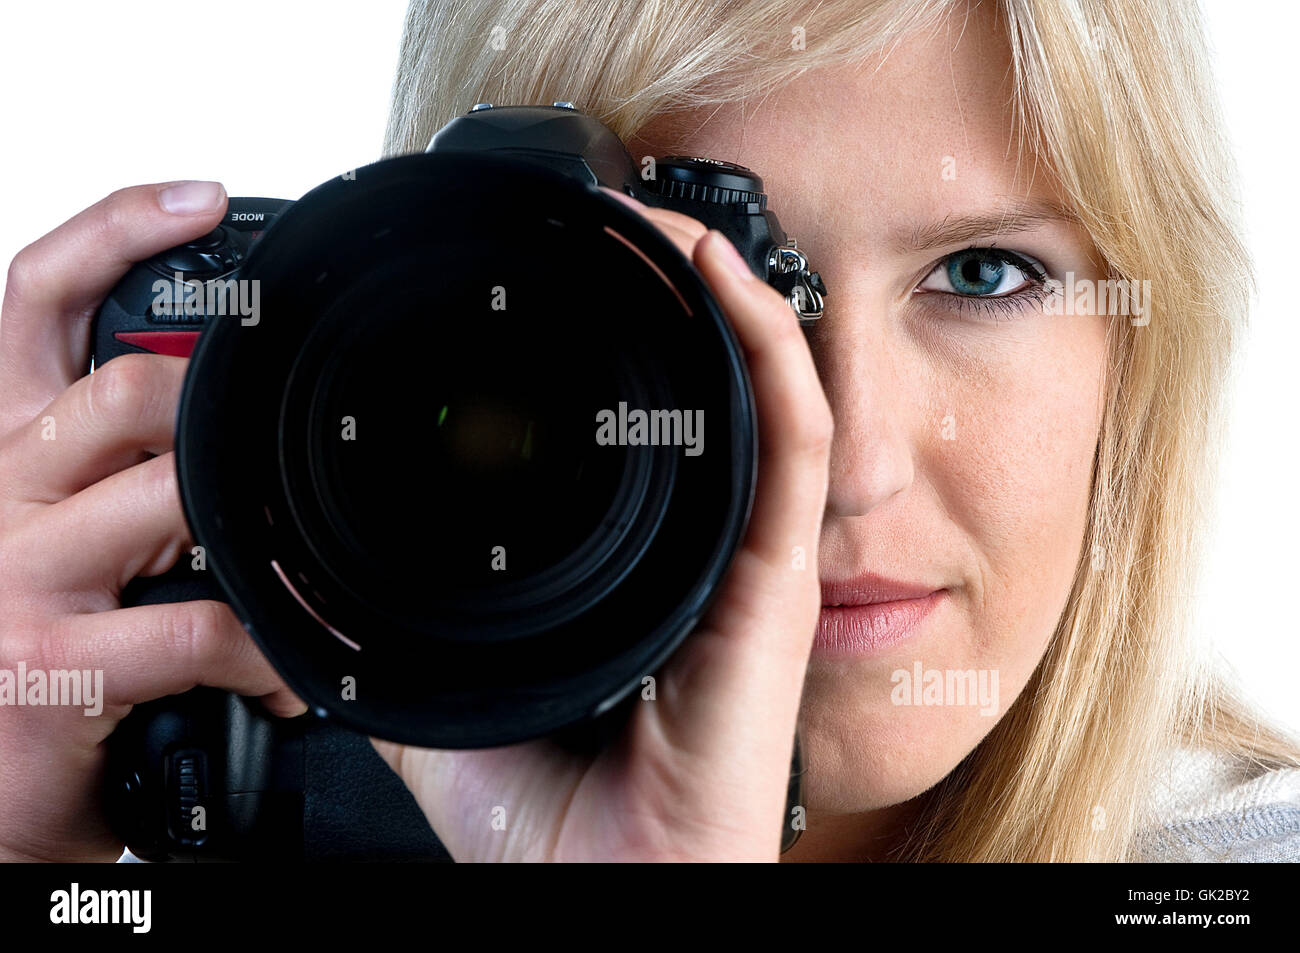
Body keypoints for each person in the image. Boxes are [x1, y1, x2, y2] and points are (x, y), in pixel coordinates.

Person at [2, 0, 1297, 863]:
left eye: (983, 275)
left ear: (1142, 343)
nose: (845, 466)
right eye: (700, 304)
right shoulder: (269, 792)